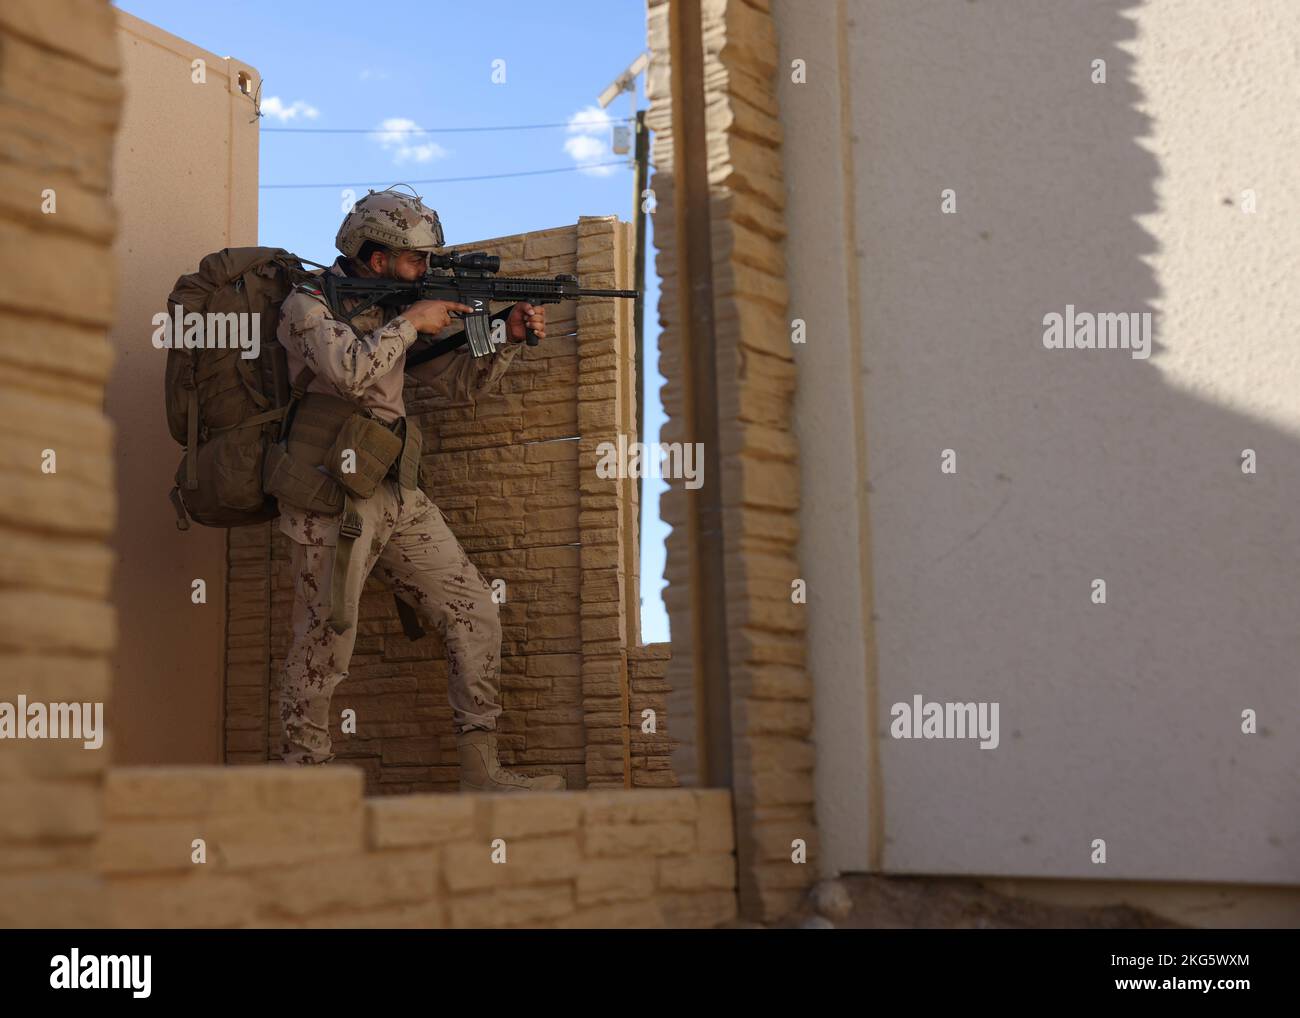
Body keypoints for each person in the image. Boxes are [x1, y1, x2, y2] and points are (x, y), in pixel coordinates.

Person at [272, 185, 564, 792]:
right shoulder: (307, 305)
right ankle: (305, 785)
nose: (425, 272)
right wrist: (409, 322)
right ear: (377, 259)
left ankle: (481, 774)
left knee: (474, 612)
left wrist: (504, 336)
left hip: (394, 489)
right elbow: (350, 373)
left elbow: (456, 385)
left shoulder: (390, 311)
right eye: (415, 261)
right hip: (329, 493)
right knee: (327, 637)